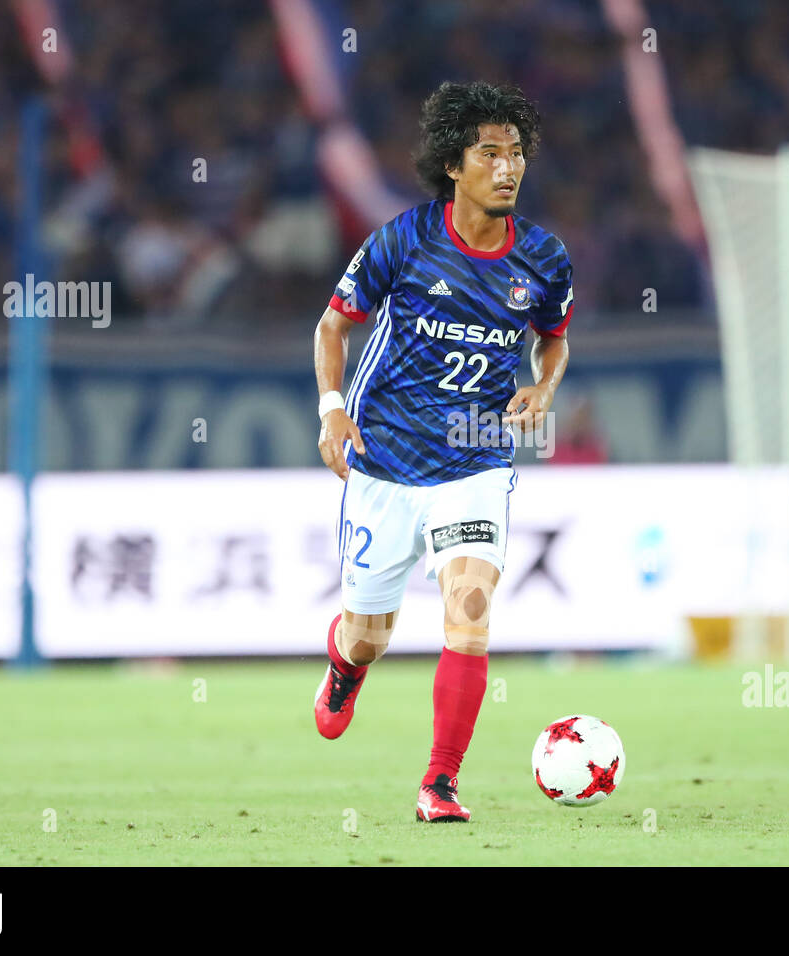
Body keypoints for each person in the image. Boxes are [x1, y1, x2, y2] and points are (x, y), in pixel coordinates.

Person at [311, 81, 573, 822]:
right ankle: (344, 663)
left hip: (475, 458)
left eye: (517, 153)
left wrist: (543, 386)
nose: (508, 167)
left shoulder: (545, 260)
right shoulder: (404, 239)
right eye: (490, 153)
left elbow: (554, 336)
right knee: (369, 635)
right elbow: (332, 326)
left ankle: (440, 784)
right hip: (386, 459)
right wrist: (333, 412)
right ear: (454, 165)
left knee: (470, 607)